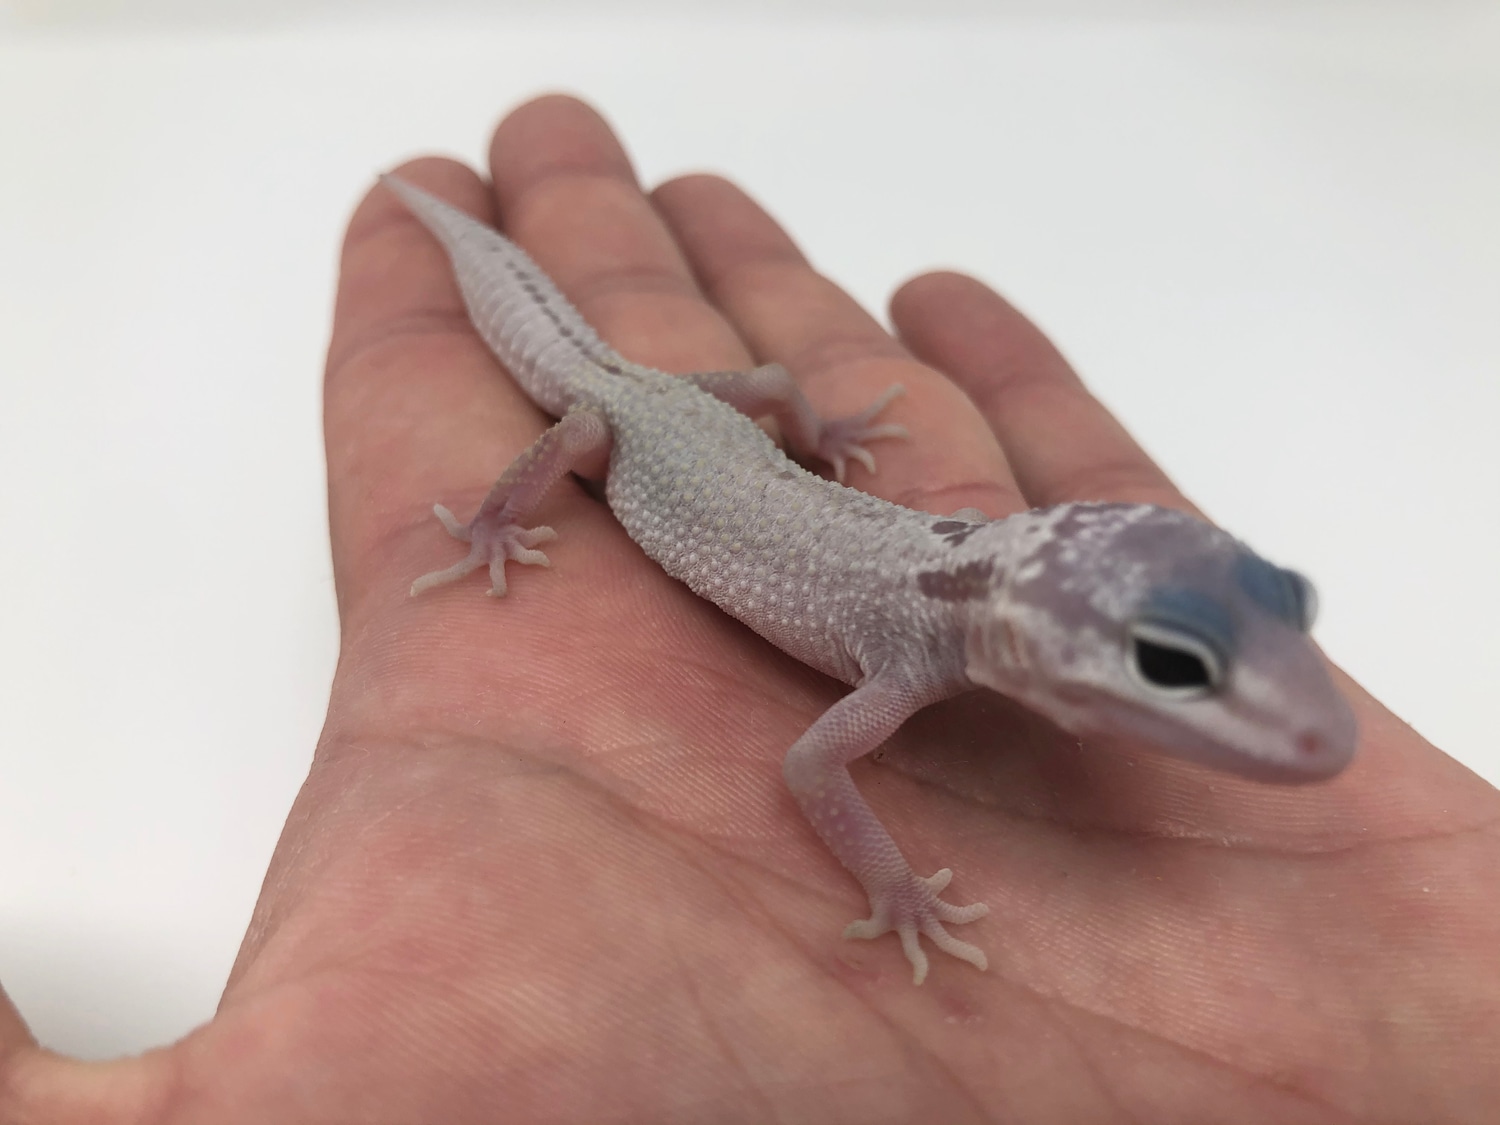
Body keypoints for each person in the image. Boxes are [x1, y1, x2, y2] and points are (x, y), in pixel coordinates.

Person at [2, 94, 1495, 1125]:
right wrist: (893, 887)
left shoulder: (957, 594)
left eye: (1258, 615)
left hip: (717, 412)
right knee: (604, 411)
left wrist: (814, 438)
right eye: (1177, 666)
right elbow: (804, 763)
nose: (1299, 707)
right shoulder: (911, 646)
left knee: (766, 392)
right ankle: (501, 444)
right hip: (619, 415)